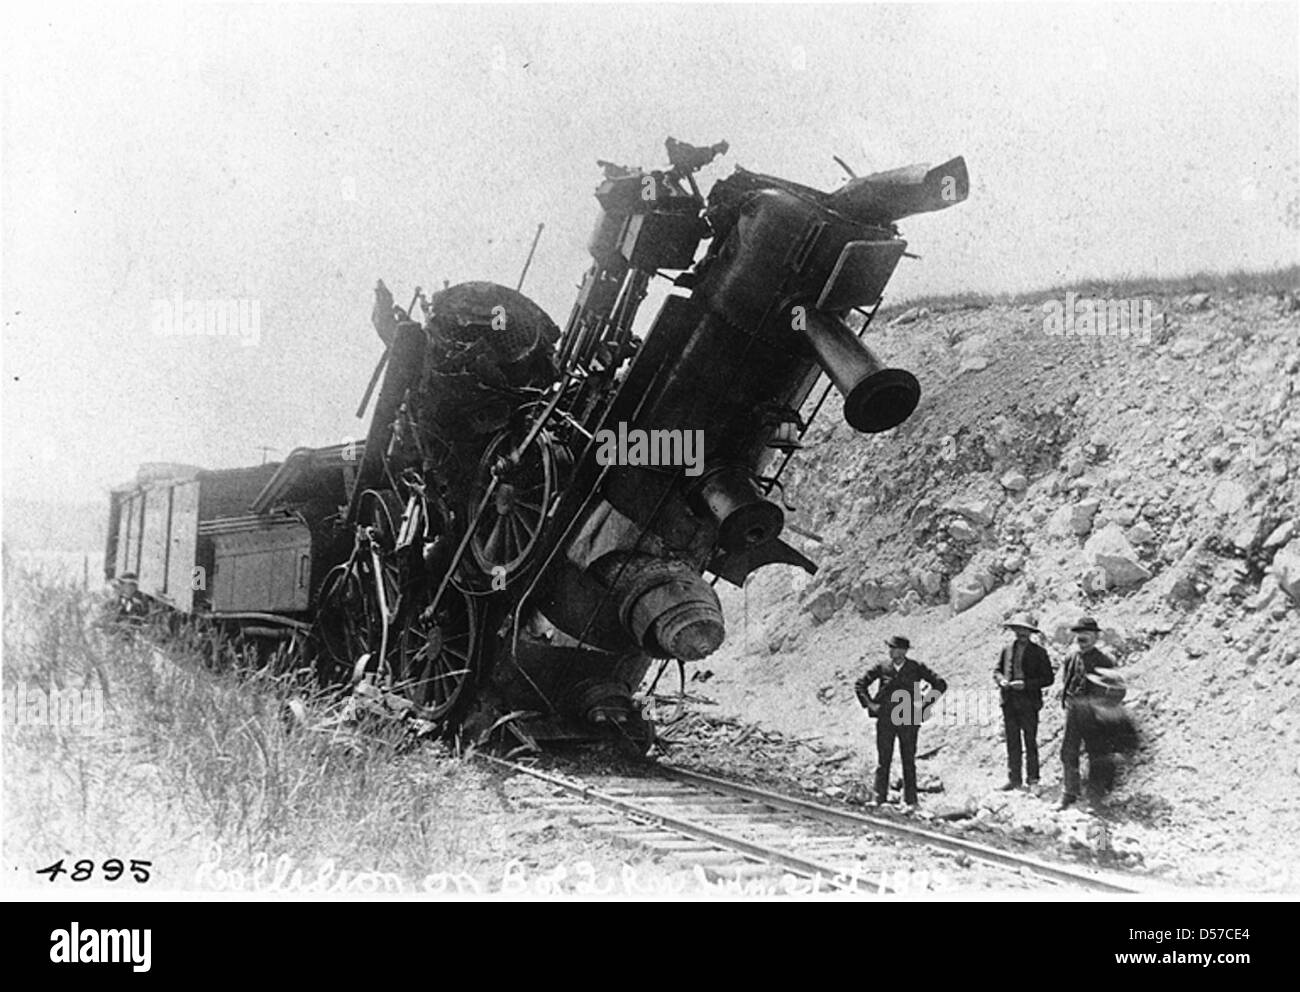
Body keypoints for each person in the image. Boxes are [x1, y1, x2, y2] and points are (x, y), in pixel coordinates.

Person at [855, 635, 947, 810]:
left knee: (908, 760)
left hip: (909, 719)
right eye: (890, 648)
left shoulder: (916, 667)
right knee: (884, 759)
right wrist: (871, 705)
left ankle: (911, 800)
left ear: (904, 651)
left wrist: (924, 705)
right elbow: (860, 684)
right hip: (886, 719)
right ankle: (879, 797)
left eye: (894, 648)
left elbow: (940, 684)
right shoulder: (882, 667)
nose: (890, 651)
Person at [1057, 616, 1119, 809]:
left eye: (1087, 634)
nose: (1082, 637)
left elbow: (1116, 691)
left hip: (1094, 714)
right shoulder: (1071, 657)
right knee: (1068, 751)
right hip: (1074, 711)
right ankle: (1069, 793)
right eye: (1079, 634)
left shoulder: (1105, 661)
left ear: (1095, 637)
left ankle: (1096, 797)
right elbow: (1067, 681)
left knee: (1096, 753)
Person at [993, 613, 1054, 790]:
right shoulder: (1006, 649)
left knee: (1030, 741)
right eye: (1019, 629)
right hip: (1009, 701)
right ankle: (1014, 779)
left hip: (1029, 702)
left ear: (1030, 632)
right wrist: (1001, 680)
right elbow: (996, 671)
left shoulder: (1039, 652)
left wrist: (1026, 685)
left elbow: (1048, 678)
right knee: (1012, 741)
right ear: (1014, 630)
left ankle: (1033, 779)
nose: (1022, 633)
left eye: (1025, 630)